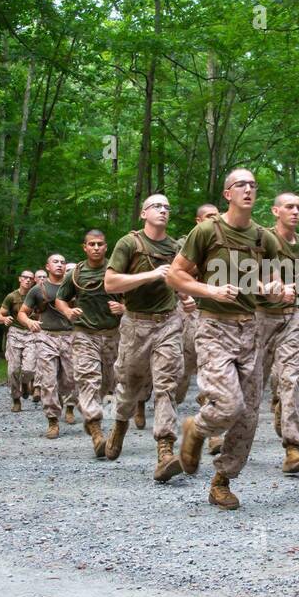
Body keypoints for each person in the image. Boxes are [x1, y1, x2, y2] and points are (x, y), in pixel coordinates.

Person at [167, 170, 288, 510]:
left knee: (248, 415)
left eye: (253, 185)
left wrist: (275, 288)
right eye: (241, 185)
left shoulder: (264, 238)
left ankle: (221, 481)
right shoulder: (207, 230)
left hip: (250, 328)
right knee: (228, 404)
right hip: (213, 326)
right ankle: (196, 428)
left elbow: (274, 279)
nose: (248, 189)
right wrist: (212, 290)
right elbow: (176, 275)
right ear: (227, 194)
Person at [104, 194, 189, 482]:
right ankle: (119, 425)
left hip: (168, 323)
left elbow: (184, 278)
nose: (164, 210)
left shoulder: (176, 247)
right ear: (143, 213)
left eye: (167, 206)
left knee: (166, 384)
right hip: (135, 324)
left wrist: (186, 295)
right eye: (157, 206)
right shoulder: (130, 244)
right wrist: (150, 275)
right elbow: (110, 282)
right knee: (129, 386)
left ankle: (165, 450)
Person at [257, 191, 299, 474]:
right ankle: (222, 433)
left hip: (293, 318)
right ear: (275, 211)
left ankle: (293, 449)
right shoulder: (261, 239)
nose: (295, 211)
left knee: (290, 379)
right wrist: (271, 289)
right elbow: (243, 275)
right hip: (261, 319)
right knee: (251, 383)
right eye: (289, 207)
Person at [55, 231, 126, 458]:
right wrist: (67, 311)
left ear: (107, 247)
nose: (96, 247)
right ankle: (96, 432)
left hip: (113, 334)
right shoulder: (75, 273)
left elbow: (134, 297)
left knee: (109, 384)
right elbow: (60, 298)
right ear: (84, 247)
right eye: (91, 244)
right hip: (84, 334)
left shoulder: (116, 271)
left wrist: (124, 308)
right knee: (88, 380)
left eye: (100, 244)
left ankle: (96, 418)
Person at [23, 255, 76, 438]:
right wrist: (29, 323)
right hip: (46, 338)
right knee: (48, 380)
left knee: (70, 378)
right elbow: (22, 313)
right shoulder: (38, 290)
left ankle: (69, 405)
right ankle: (52, 420)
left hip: (70, 337)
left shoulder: (74, 287)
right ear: (47, 267)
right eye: (56, 262)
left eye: (62, 262)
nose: (60, 265)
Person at [176, 203, 218, 405]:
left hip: (214, 309)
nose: (214, 220)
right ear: (199, 220)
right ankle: (173, 396)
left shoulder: (223, 242)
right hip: (188, 309)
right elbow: (174, 274)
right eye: (209, 216)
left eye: (217, 216)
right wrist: (184, 295)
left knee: (210, 358)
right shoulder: (184, 243)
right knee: (186, 358)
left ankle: (207, 399)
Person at [0, 270, 36, 412]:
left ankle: (25, 384)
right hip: (15, 334)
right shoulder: (12, 296)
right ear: (20, 279)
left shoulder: (36, 295)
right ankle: (16, 399)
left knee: (29, 369)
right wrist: (4, 319)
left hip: (32, 334)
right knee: (13, 369)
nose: (28, 280)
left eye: (31, 278)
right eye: (25, 277)